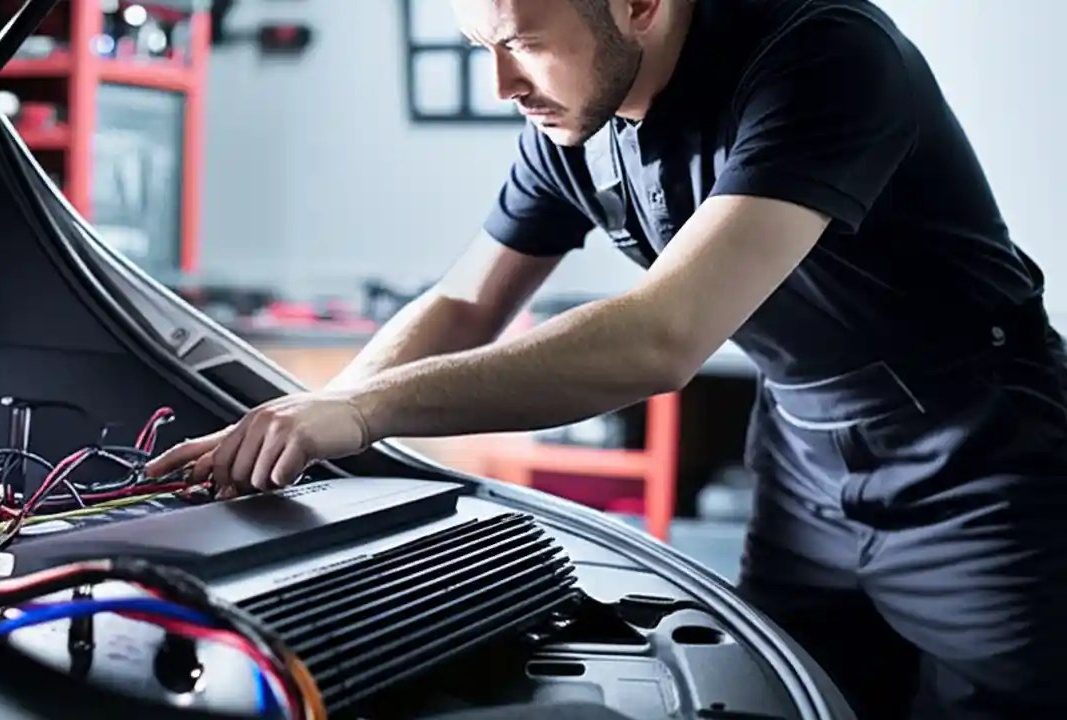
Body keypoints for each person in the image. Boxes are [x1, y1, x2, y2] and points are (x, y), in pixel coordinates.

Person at [146, 0, 1067, 717]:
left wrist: (365, 411)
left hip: (976, 453)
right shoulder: (571, 122)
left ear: (639, 5)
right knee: (793, 691)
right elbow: (467, 300)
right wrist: (309, 425)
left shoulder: (826, 57)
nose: (504, 82)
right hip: (801, 452)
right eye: (481, 47)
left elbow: (664, 335)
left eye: (524, 43)